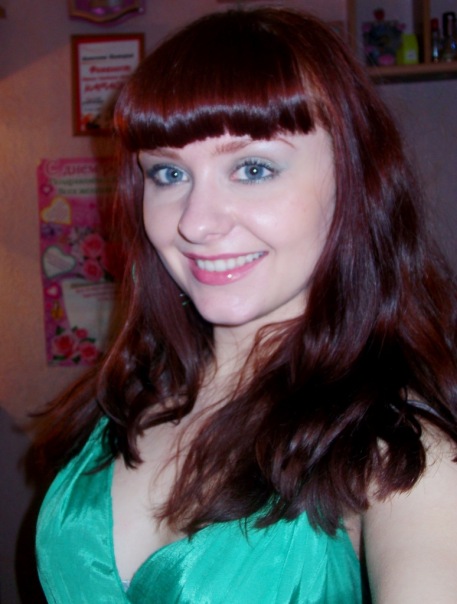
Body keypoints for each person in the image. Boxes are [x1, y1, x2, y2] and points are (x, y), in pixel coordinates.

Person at [34, 7, 457, 603]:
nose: (195, 223)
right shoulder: (131, 399)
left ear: (353, 180)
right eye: (168, 173)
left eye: (253, 168)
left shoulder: (404, 454)